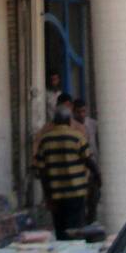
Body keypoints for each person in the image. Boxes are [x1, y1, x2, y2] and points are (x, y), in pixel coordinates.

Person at [33, 101, 94, 239]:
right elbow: (88, 160)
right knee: (76, 229)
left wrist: (47, 196)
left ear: (54, 121)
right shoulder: (77, 137)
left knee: (60, 230)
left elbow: (41, 171)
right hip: (76, 193)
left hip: (56, 195)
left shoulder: (45, 140)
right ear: (68, 120)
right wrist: (98, 175)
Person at [72, 99, 102, 223]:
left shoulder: (93, 124)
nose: (81, 115)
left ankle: (92, 223)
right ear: (74, 112)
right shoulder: (72, 127)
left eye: (83, 111)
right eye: (78, 112)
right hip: (80, 170)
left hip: (93, 167)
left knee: (93, 200)